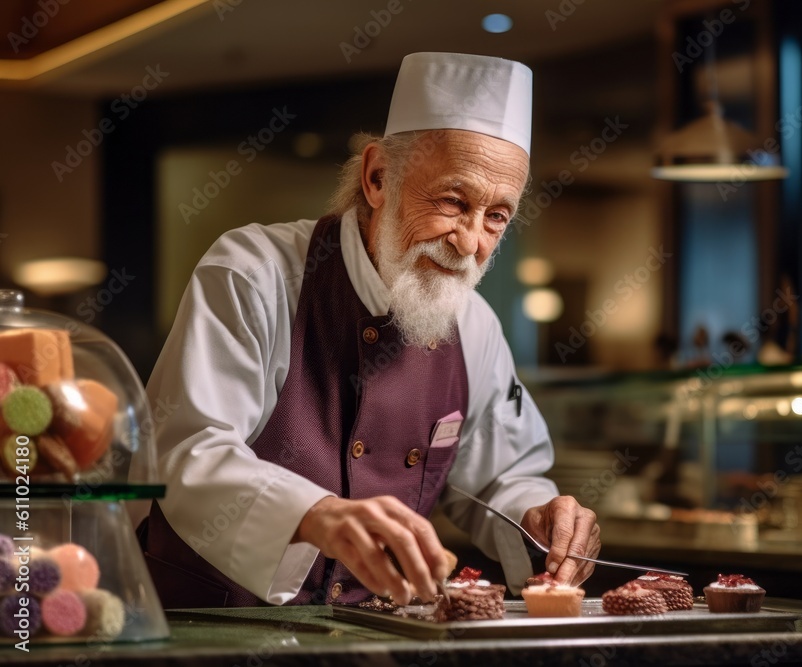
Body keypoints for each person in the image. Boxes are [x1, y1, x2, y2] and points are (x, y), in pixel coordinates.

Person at [136, 52, 601, 609]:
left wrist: (540, 517)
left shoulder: (475, 326)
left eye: (497, 216)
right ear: (378, 177)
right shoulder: (254, 272)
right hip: (212, 629)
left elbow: (499, 479)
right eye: (454, 202)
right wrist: (316, 514)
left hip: (374, 634)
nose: (470, 242)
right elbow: (187, 449)